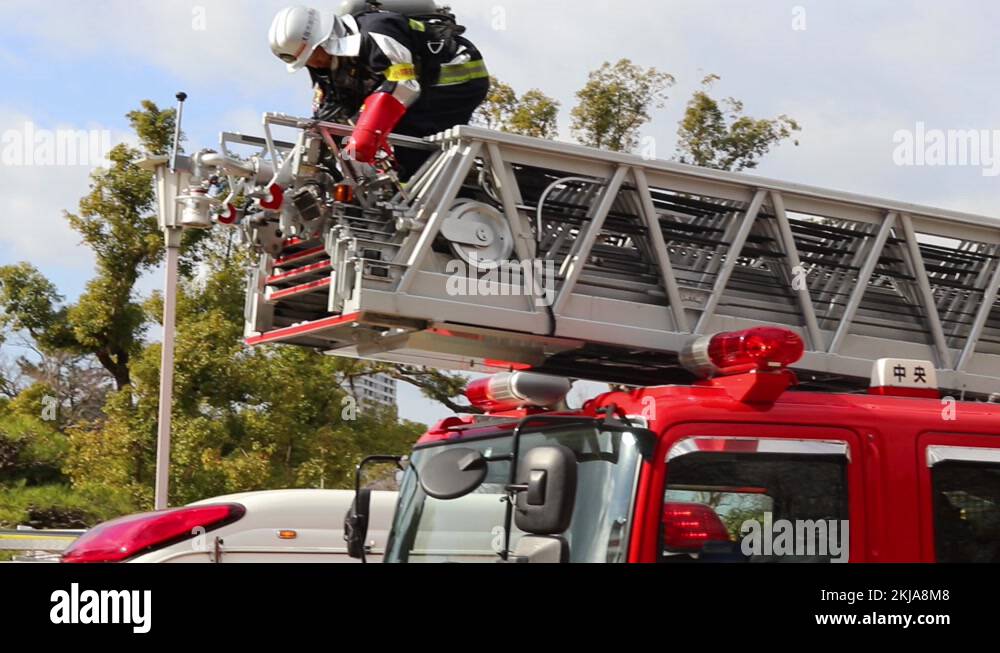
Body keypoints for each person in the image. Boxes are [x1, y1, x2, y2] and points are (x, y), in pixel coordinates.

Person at [268, 5, 489, 179]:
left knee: (407, 137)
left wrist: (364, 137)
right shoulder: (323, 66)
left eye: (314, 54)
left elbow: (404, 84)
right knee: (360, 136)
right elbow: (330, 113)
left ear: (325, 38)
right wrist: (310, 158)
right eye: (307, 61)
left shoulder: (377, 32)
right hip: (419, 87)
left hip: (457, 78)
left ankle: (440, 195)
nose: (315, 64)